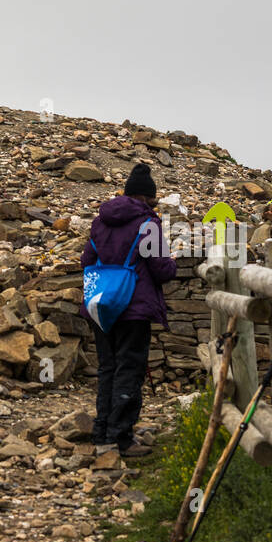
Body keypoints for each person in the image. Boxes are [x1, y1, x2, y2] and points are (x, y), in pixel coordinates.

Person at [80, 161, 177, 458]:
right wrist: (173, 262)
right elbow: (162, 270)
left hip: (100, 306)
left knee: (107, 366)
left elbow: (86, 261)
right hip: (133, 309)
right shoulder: (148, 224)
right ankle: (121, 437)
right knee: (129, 368)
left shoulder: (100, 221)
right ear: (148, 197)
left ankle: (101, 432)